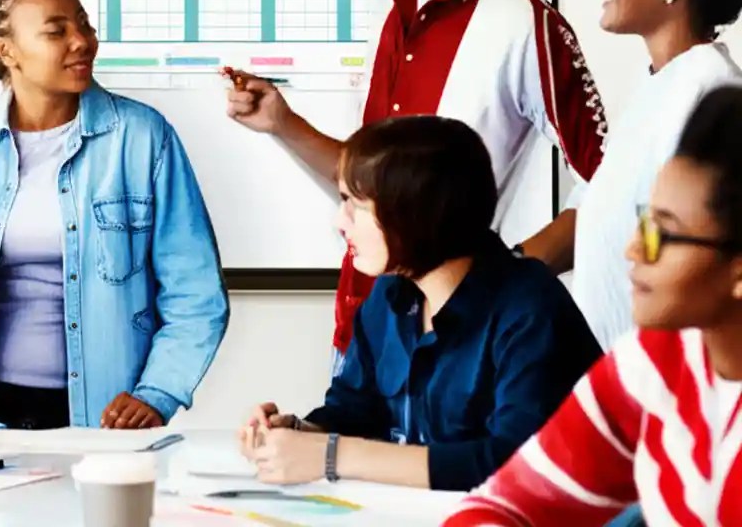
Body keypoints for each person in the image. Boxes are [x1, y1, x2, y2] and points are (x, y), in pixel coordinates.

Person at [222, 0, 607, 375]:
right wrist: (282, 122)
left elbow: (612, 187)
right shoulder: (399, 18)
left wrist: (514, 272)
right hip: (361, 331)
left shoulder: (525, 23)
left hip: (452, 344)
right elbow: (367, 183)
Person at [0, 0, 229, 430]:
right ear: (6, 50)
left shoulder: (142, 139)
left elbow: (196, 293)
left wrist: (159, 392)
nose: (82, 41)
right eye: (56, 31)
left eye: (84, 24)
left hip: (101, 416)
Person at [239, 116, 601, 492]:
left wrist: (330, 456)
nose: (339, 221)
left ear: (414, 212)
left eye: (354, 204)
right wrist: (300, 434)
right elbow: (353, 412)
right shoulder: (387, 298)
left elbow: (513, 464)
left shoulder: (530, 309)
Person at [445, 84, 742, 527]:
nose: (633, 250)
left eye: (663, 233)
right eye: (643, 221)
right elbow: (508, 501)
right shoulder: (654, 362)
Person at [571, 0, 742, 351]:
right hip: (622, 382)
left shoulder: (705, 88)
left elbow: (681, 234)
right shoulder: (660, 84)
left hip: (662, 384)